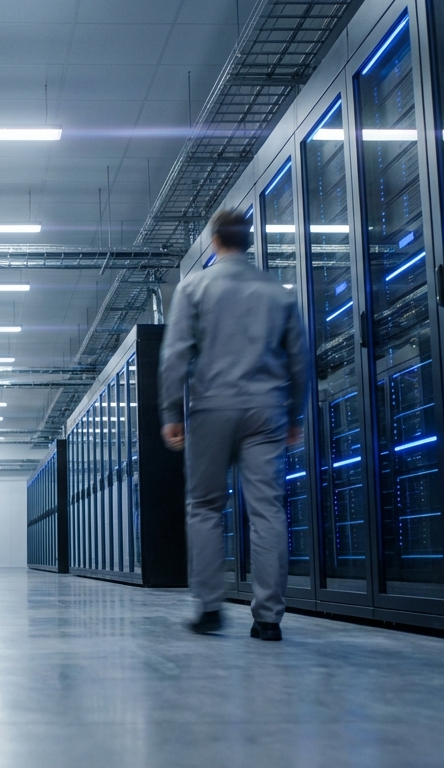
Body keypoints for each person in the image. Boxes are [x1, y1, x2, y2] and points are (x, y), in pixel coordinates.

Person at [158, 209, 309, 642]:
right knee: (267, 511)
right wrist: (294, 416)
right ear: (248, 241)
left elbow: (175, 355)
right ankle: (269, 618)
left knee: (205, 507)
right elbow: (300, 359)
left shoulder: (194, 287)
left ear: (215, 241)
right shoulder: (279, 293)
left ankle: (209, 608)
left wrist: (171, 413)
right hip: (267, 409)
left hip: (212, 407)